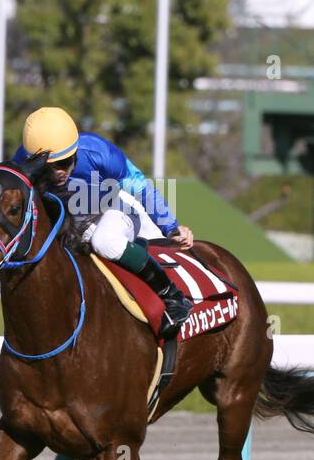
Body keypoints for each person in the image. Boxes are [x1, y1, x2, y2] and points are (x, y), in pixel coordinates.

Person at [14, 106, 195, 339]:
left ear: (76, 151)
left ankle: (172, 296)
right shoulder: (22, 162)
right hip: (71, 225)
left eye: (66, 162)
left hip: (113, 210)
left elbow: (140, 188)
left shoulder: (98, 152)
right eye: (51, 166)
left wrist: (171, 227)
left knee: (104, 241)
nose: (59, 173)